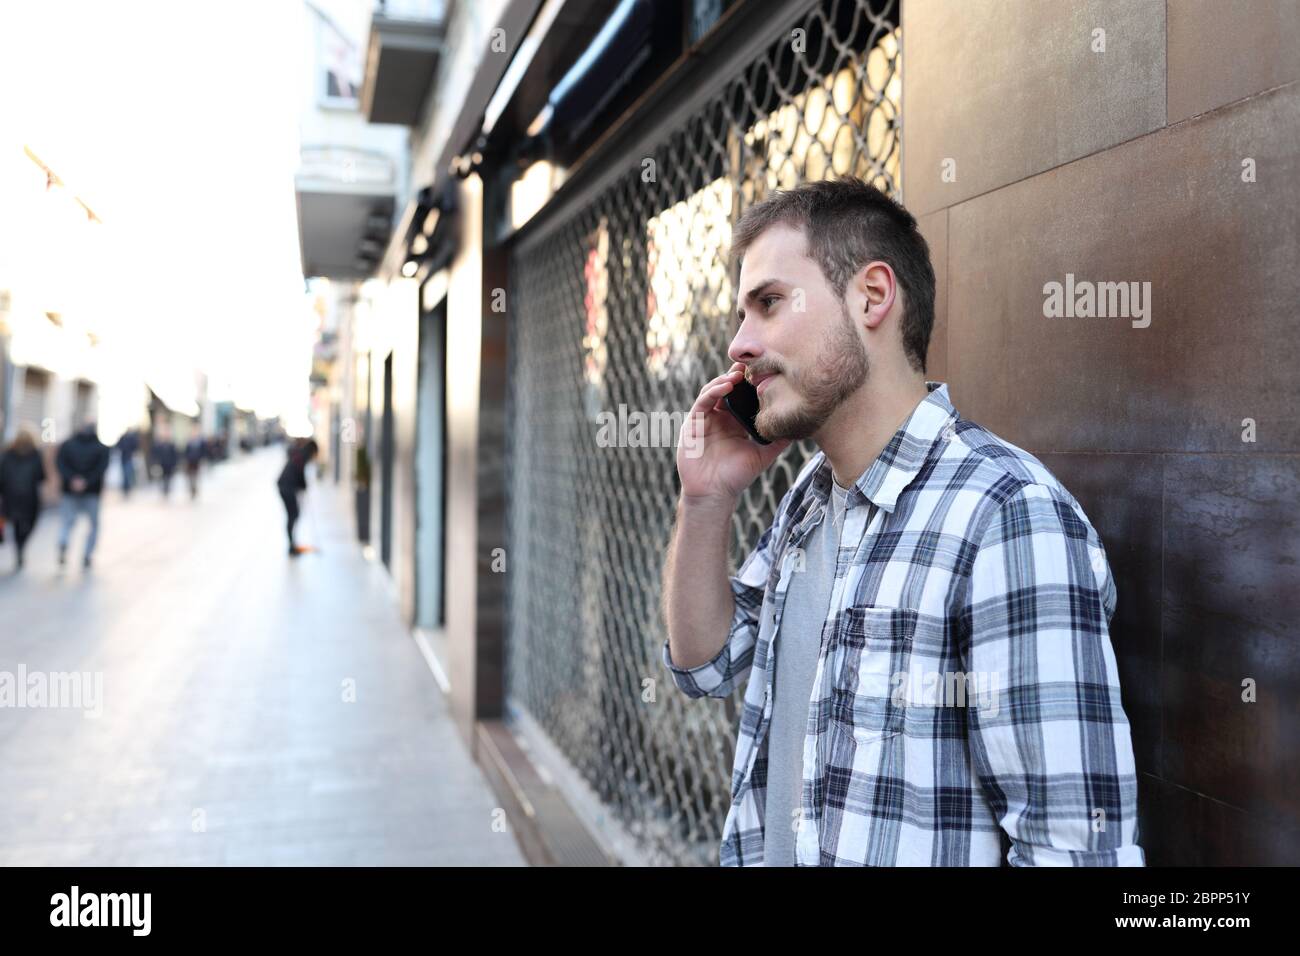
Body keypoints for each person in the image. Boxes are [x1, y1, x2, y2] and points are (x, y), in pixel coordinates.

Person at [661, 176, 1143, 867]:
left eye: (768, 303)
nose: (738, 343)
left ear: (872, 296)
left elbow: (1076, 849)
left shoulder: (1006, 518)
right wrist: (705, 501)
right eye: (742, 314)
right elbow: (702, 665)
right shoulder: (811, 498)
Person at [55, 421, 110, 569]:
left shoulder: (67, 445)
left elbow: (60, 464)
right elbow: (101, 469)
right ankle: (87, 554)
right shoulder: (101, 448)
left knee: (67, 522)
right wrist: (86, 481)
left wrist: (72, 479)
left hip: (70, 490)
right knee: (93, 525)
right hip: (92, 492)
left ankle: (64, 541)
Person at [0, 430, 47, 569]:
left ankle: (19, 545)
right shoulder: (35, 454)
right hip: (28, 495)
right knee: (28, 522)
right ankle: (21, 545)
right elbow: (41, 475)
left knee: (17, 523)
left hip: (12, 494)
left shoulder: (8, 453)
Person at [278, 438, 318, 556]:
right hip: (286, 487)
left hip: (284, 485)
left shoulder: (300, 453)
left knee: (293, 514)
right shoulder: (303, 455)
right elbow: (299, 472)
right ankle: (291, 546)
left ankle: (292, 544)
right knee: (293, 514)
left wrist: (302, 485)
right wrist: (304, 485)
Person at [116, 427, 140, 496]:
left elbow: (136, 446)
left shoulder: (132, 438)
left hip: (129, 458)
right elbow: (118, 446)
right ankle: (125, 488)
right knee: (125, 474)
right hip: (123, 458)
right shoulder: (123, 438)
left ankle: (127, 487)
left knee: (128, 473)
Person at [183, 433, 207, 499]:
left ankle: (194, 489)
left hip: (197, 463)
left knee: (196, 477)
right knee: (190, 477)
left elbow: (203, 452)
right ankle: (192, 489)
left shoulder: (200, 442)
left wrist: (202, 460)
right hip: (190, 463)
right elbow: (186, 452)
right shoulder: (189, 442)